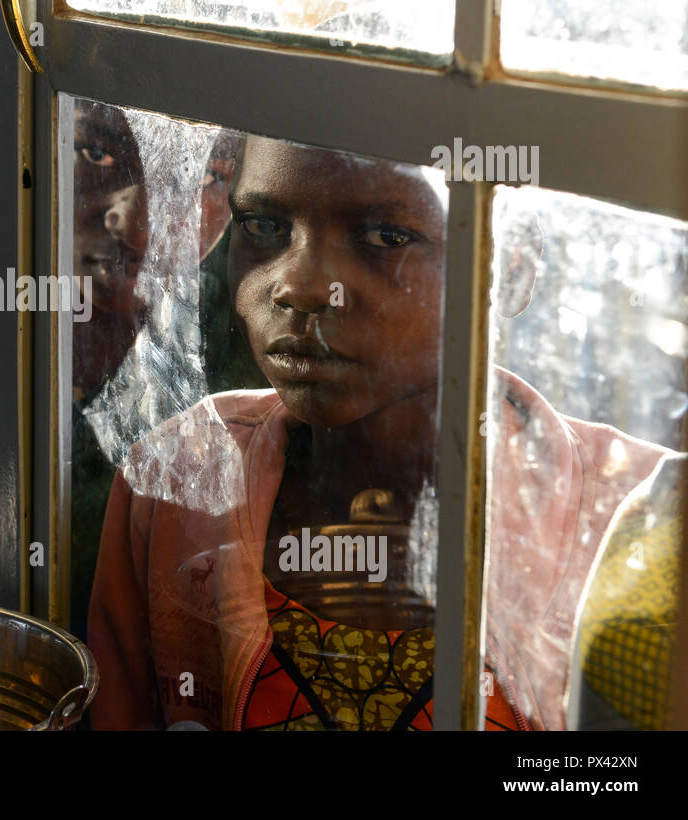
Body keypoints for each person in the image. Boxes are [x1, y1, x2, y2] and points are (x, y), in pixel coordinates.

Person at [87, 134, 675, 730]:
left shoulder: (642, 523)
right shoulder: (176, 478)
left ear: (510, 270)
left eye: (387, 238)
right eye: (263, 225)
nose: (303, 287)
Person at [0, 99, 263, 632]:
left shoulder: (258, 318)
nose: (138, 227)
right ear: (36, 128)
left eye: (206, 177)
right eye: (96, 154)